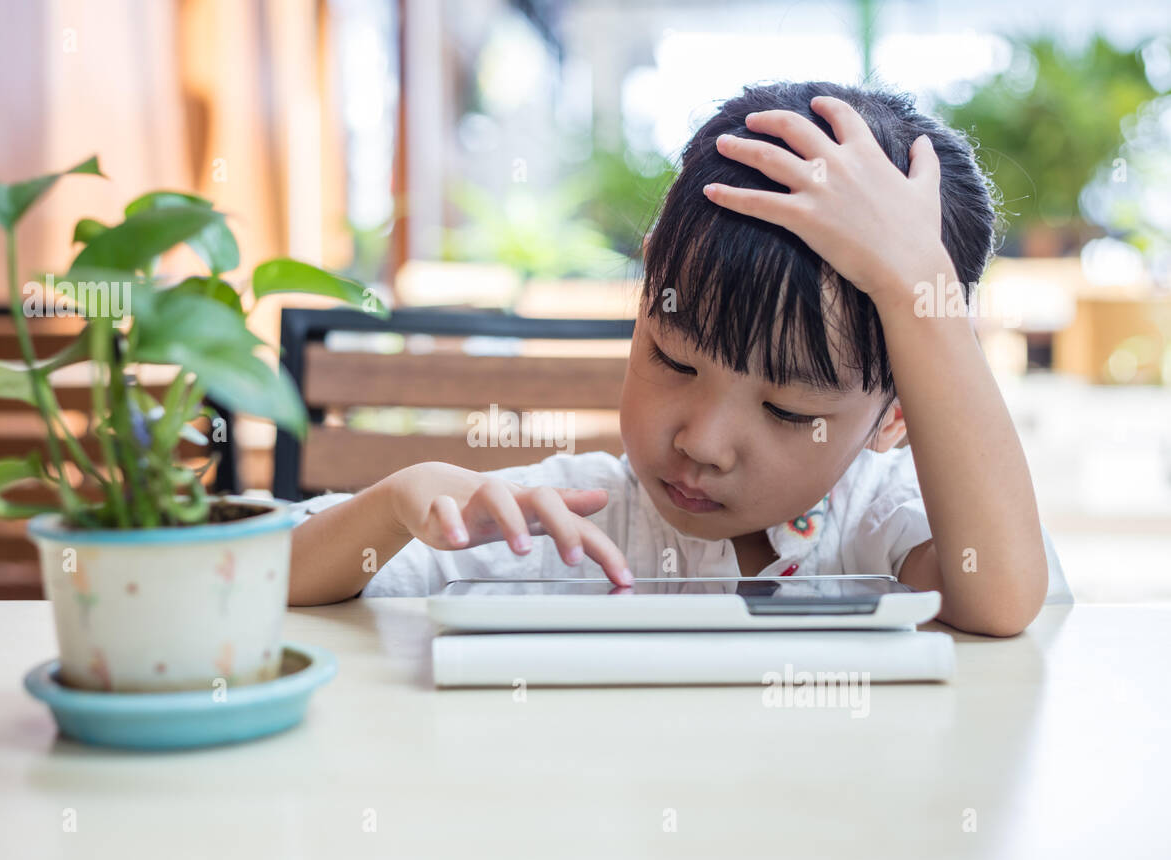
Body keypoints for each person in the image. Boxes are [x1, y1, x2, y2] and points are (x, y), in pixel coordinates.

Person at [286, 79, 1069, 636]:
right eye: (673, 359)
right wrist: (396, 503)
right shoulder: (566, 523)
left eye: (790, 409)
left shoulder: (882, 526)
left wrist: (918, 293)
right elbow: (258, 580)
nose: (700, 441)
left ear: (896, 415)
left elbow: (997, 601)